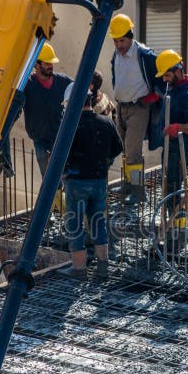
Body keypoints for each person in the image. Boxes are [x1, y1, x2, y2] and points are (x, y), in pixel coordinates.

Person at [58, 76, 123, 280]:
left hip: (77, 182)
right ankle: (103, 267)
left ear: (72, 103)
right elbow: (118, 147)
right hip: (99, 180)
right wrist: (104, 162)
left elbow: (61, 155)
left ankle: (79, 270)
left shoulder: (70, 126)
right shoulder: (105, 122)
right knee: (98, 221)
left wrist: (66, 171)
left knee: (75, 224)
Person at [109, 13, 161, 205]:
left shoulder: (144, 55)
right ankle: (128, 185)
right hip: (121, 107)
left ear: (130, 37)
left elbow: (160, 83)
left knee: (133, 152)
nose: (119, 45)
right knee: (125, 150)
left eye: (121, 41)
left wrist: (148, 100)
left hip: (138, 108)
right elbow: (116, 76)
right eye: (116, 41)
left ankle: (138, 191)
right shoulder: (117, 54)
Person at [154, 50, 188, 217]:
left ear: (179, 70)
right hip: (170, 145)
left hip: (179, 147)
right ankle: (172, 222)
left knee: (174, 186)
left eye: (167, 75)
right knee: (168, 184)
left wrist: (177, 127)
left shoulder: (186, 94)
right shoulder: (174, 87)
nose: (164, 80)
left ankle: (177, 226)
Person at [22, 42, 72, 176]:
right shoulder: (27, 84)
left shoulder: (63, 81)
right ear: (36, 65)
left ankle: (62, 196)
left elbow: (81, 91)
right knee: (49, 179)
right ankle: (55, 197)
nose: (51, 66)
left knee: (65, 177)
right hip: (40, 140)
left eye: (51, 63)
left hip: (60, 137)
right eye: (47, 63)